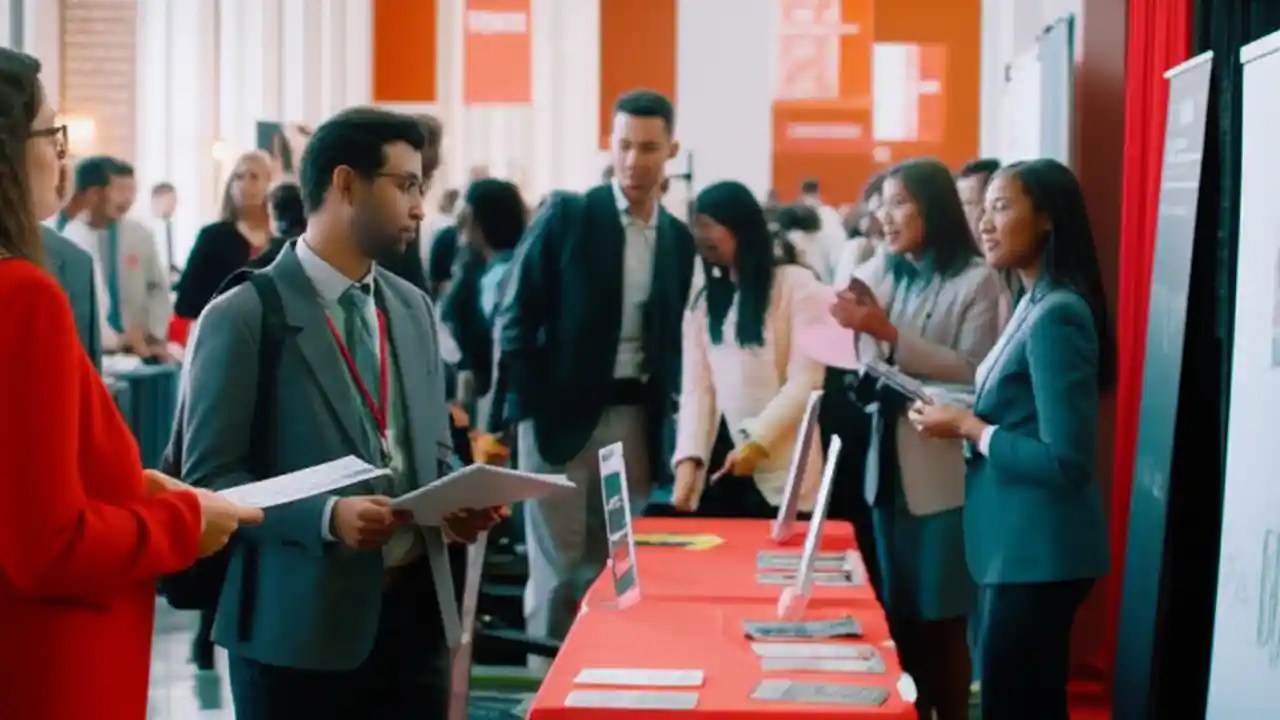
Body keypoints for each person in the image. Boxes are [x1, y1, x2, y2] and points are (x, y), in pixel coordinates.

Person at [178, 106, 503, 718]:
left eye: (421, 188)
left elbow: (428, 446)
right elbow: (210, 484)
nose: (418, 208)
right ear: (346, 184)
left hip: (413, 620)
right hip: (294, 631)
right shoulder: (245, 316)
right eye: (406, 185)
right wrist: (326, 516)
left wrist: (456, 497)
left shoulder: (410, 308)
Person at [0, 47, 260, 720]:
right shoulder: (22, 295)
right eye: (51, 134)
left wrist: (132, 487)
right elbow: (47, 548)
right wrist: (184, 521)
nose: (61, 157)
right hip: (51, 663)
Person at [910, 159, 1113, 719]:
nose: (986, 223)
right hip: (1015, 547)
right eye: (982, 209)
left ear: (1047, 217)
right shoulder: (1030, 301)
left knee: (1015, 705)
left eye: (1001, 207)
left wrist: (970, 428)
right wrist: (960, 417)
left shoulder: (1057, 315)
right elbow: (1018, 414)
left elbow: (1066, 461)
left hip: (1040, 551)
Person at [496, 89, 696, 654]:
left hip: (634, 418)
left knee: (617, 564)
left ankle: (606, 678)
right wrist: (531, 407)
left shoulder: (677, 240)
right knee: (557, 565)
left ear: (671, 151)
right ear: (611, 145)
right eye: (625, 145)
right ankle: (547, 692)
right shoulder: (571, 216)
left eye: (650, 148)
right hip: (558, 418)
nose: (635, 161)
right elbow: (514, 315)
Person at [829, 158, 1003, 720]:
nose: (885, 214)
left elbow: (976, 370)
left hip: (942, 473)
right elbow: (863, 355)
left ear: (935, 208)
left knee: (941, 623)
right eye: (881, 202)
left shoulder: (978, 279)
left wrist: (884, 332)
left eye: (899, 202)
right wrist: (859, 329)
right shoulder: (883, 270)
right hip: (886, 468)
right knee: (898, 618)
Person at [671, 181, 825, 517]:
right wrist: (687, 462)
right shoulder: (703, 305)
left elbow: (806, 383)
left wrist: (756, 442)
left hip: (783, 473)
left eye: (709, 226)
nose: (700, 237)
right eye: (696, 226)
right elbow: (697, 392)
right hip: (722, 470)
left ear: (741, 227)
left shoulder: (796, 286)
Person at [62, 156, 173, 358]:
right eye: (120, 190)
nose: (126, 199)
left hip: (138, 345)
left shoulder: (140, 235)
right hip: (90, 345)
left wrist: (150, 331)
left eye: (131, 191)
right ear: (95, 193)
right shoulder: (72, 234)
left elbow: (158, 289)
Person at [172, 150, 275, 327]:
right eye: (239, 177)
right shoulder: (213, 237)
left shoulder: (283, 241)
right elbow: (186, 302)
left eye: (254, 177)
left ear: (270, 184)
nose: (244, 184)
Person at [798, 178, 847, 282]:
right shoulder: (829, 215)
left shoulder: (795, 216)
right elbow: (838, 252)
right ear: (817, 193)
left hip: (803, 281)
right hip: (825, 281)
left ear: (802, 194)